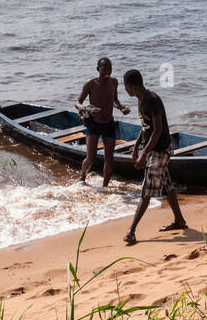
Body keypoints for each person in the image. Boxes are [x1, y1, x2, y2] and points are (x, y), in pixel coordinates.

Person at [122, 68, 187, 244]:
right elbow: (146, 127)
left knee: (147, 189)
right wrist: (136, 147)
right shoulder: (140, 100)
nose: (125, 90)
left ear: (130, 86)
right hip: (151, 149)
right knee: (167, 184)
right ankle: (179, 220)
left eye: (125, 86)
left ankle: (131, 230)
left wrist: (144, 155)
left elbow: (158, 130)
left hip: (160, 150)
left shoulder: (152, 100)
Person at [75, 57, 130, 186]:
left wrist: (121, 108)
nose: (107, 72)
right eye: (104, 69)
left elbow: (114, 100)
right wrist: (82, 108)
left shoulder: (114, 82)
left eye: (109, 69)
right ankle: (82, 176)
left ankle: (105, 186)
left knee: (109, 158)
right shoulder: (91, 84)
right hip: (93, 123)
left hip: (108, 123)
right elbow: (78, 102)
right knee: (91, 157)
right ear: (98, 69)